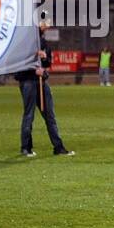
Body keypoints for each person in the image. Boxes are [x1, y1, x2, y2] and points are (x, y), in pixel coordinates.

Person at [15, 19, 74, 157]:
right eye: (44, 24)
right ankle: (26, 147)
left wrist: (44, 58)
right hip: (28, 82)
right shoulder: (24, 42)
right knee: (29, 115)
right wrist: (33, 68)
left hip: (40, 82)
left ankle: (58, 147)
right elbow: (19, 64)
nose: (47, 27)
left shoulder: (43, 42)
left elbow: (47, 63)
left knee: (50, 115)